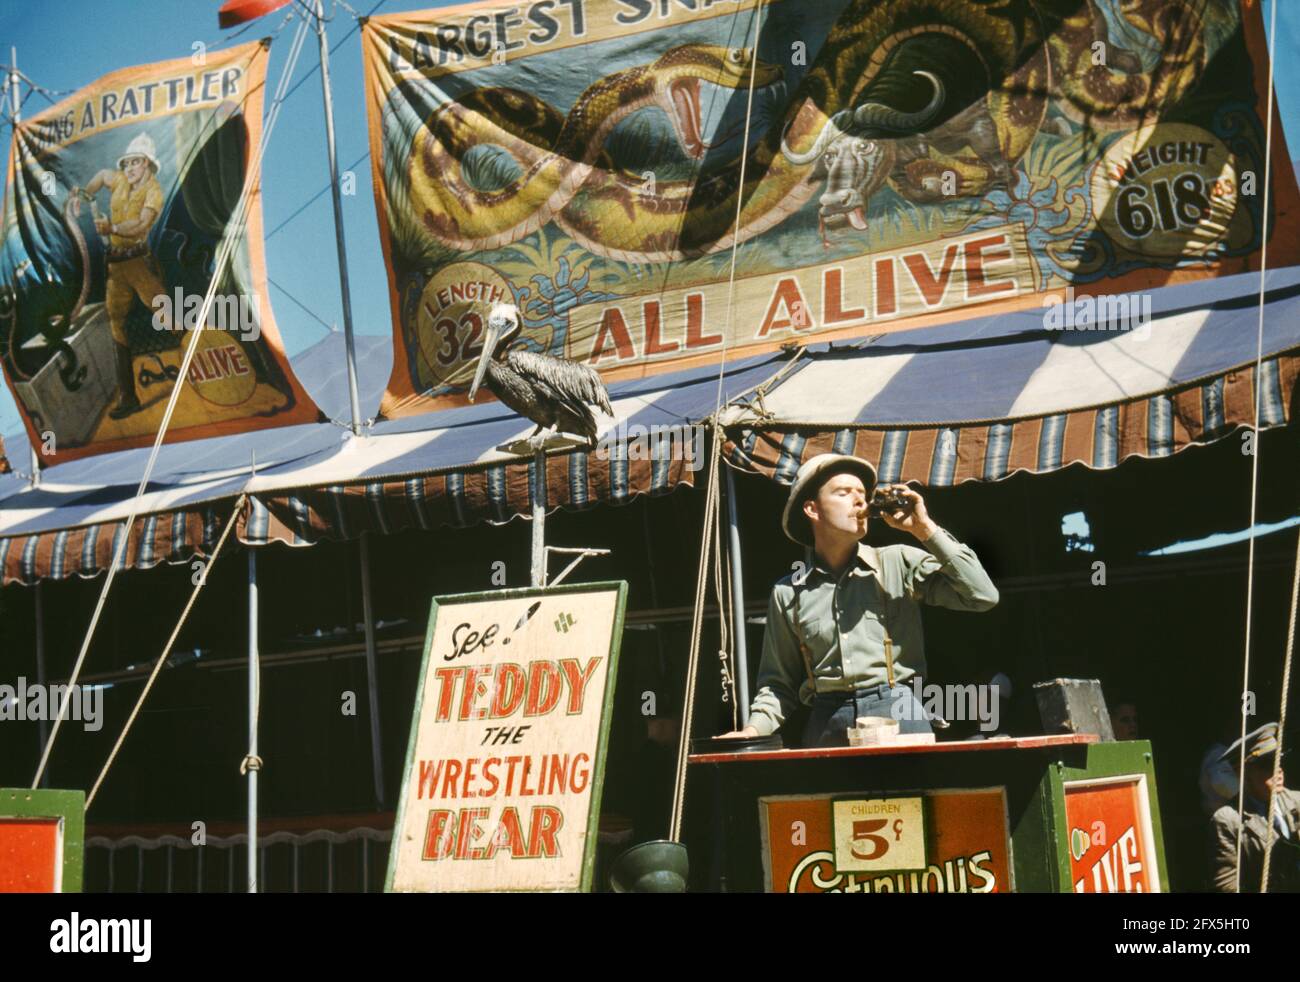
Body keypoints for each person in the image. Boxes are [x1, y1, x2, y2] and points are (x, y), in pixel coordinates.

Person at [721, 454, 999, 748]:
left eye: (862, 495)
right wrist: (752, 731)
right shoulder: (789, 592)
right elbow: (777, 685)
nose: (860, 502)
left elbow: (982, 596)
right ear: (812, 509)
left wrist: (924, 529)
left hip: (898, 711)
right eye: (844, 493)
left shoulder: (897, 562)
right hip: (827, 722)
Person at [72, 133, 169, 420]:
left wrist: (112, 228)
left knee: (168, 318)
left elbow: (140, 225)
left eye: (136, 162)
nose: (129, 167)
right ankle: (129, 397)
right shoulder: (121, 181)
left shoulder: (154, 192)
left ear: (148, 165)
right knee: (116, 327)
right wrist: (84, 195)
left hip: (140, 264)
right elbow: (102, 175)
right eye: (127, 162)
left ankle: (200, 369)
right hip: (116, 268)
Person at [1209, 722, 1300, 893]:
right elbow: (1227, 887)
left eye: (1279, 761)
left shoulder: (1296, 800)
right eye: (1267, 764)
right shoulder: (1229, 820)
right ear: (1242, 772)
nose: (1278, 769)